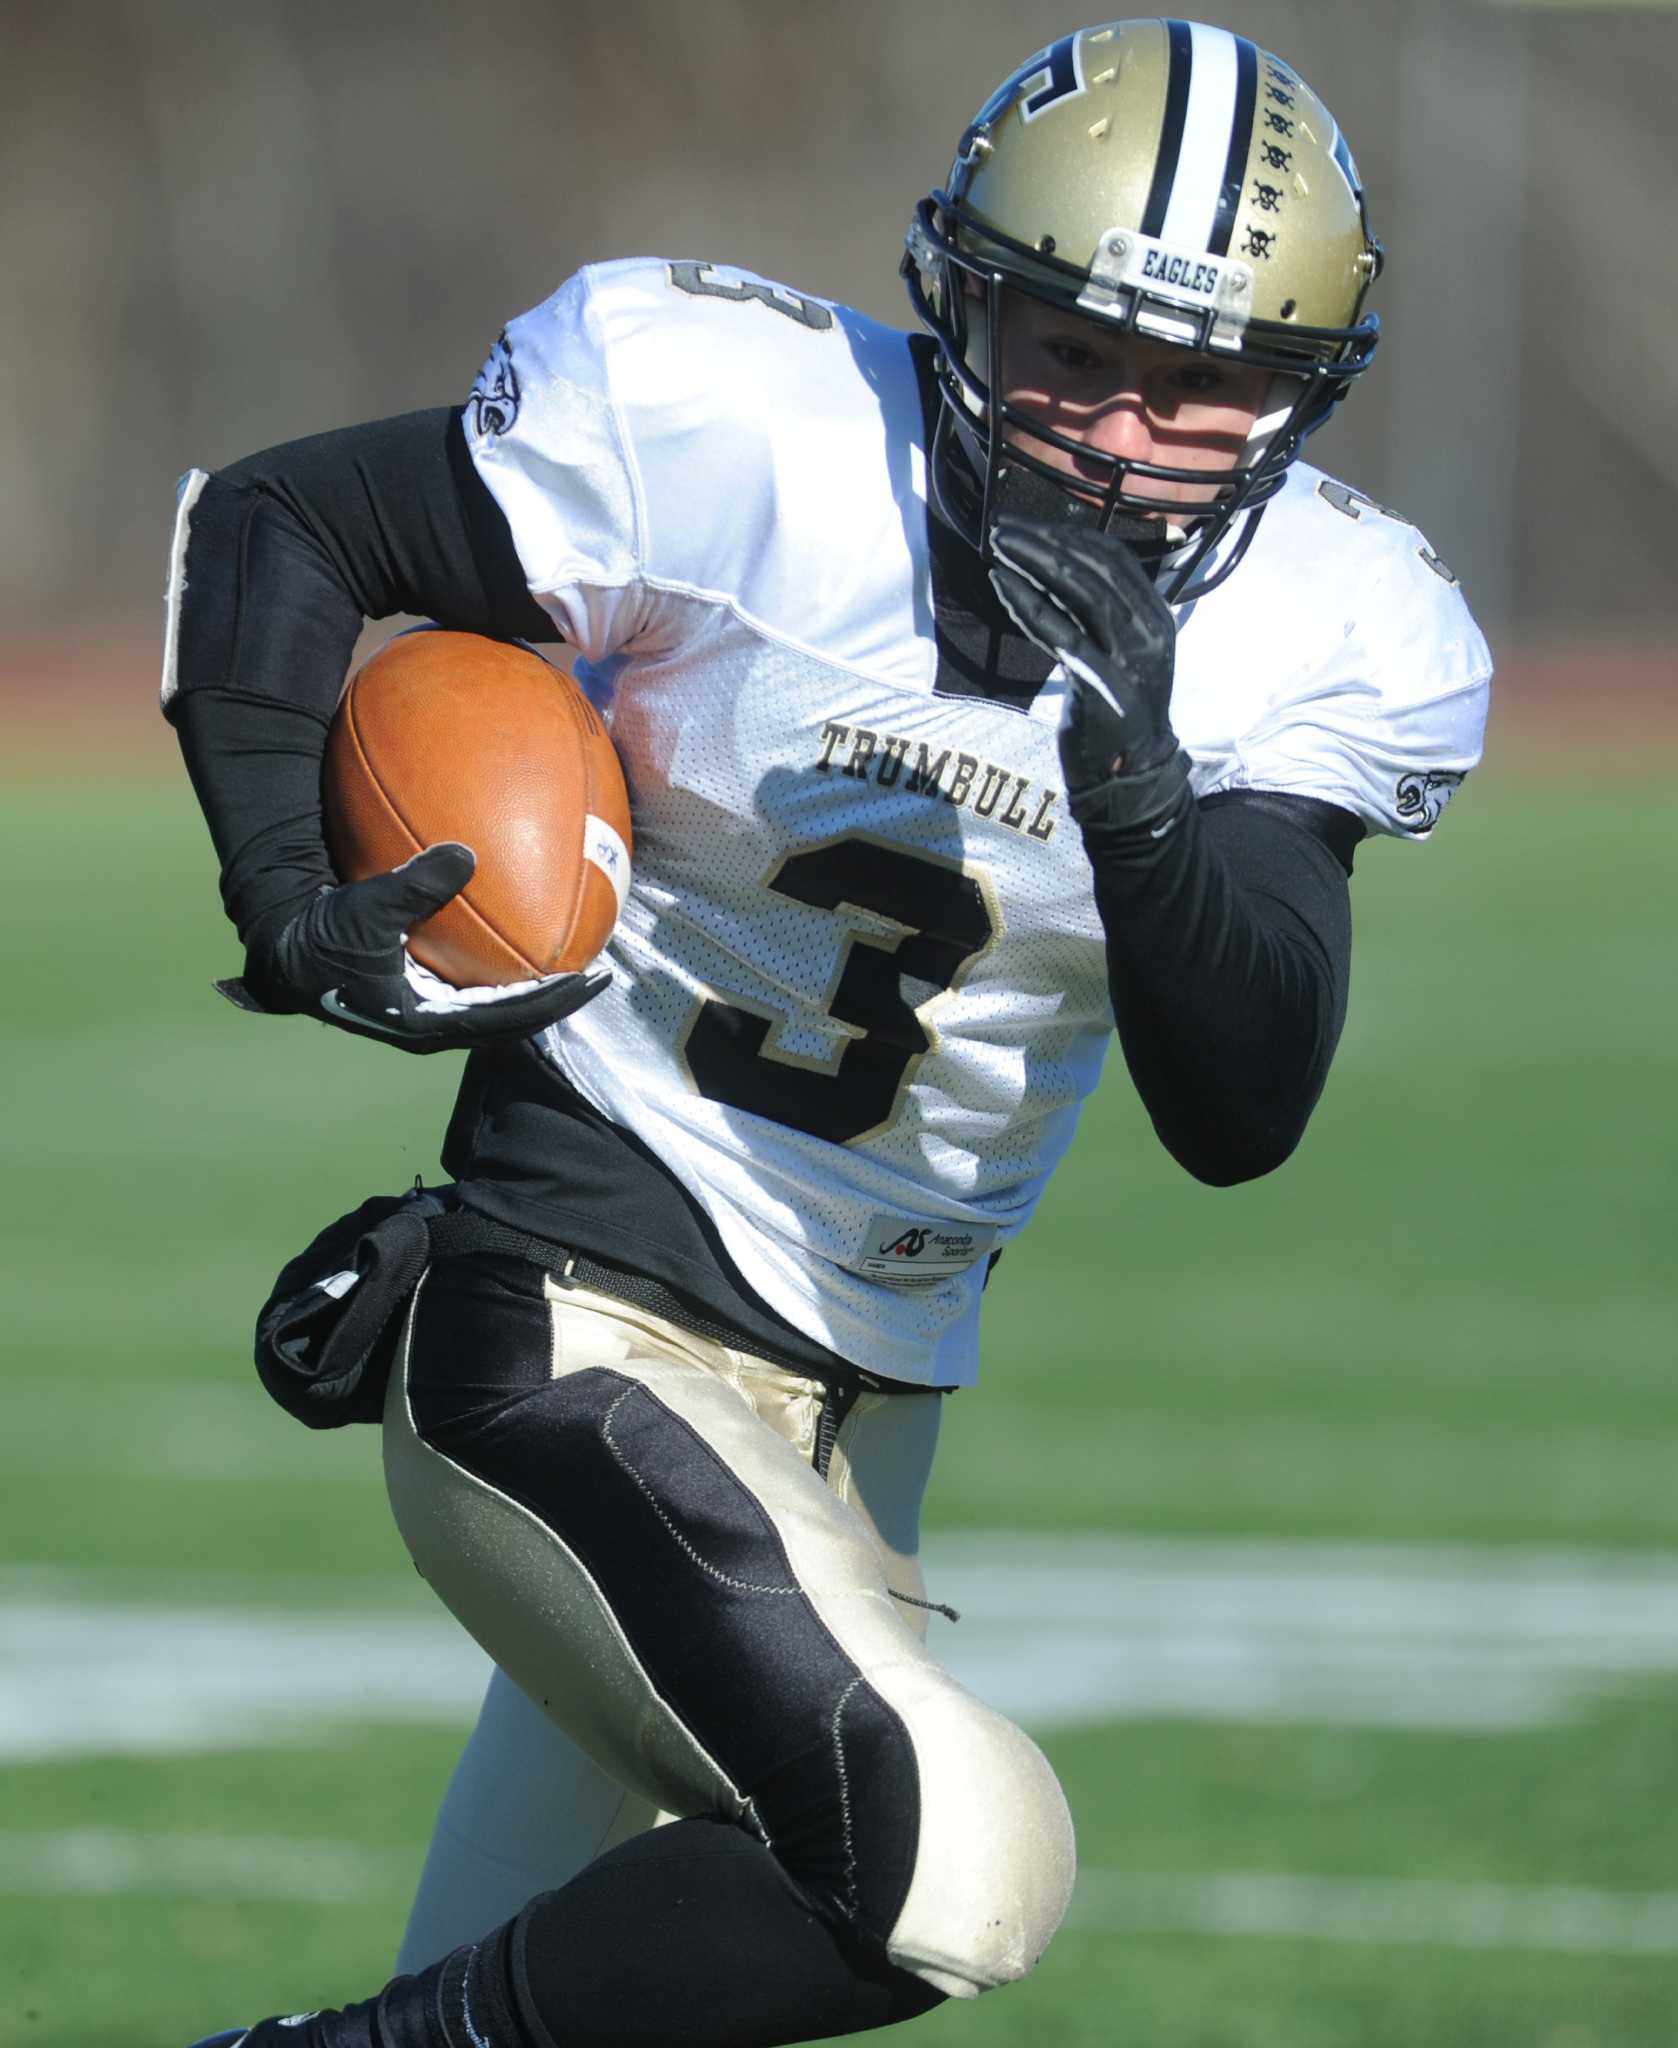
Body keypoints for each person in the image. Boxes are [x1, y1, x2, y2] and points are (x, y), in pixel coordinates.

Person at [167, 20, 1489, 2048]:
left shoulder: (1319, 632)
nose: (1123, 440)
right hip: (569, 1320)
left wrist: (1134, 789)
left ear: (1299, 402)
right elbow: (281, 521)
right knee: (945, 1869)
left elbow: (1240, 1100)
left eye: (1206, 386)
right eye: (1070, 353)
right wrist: (283, 886)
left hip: (862, 1411)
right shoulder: (737, 436)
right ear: (960, 301)